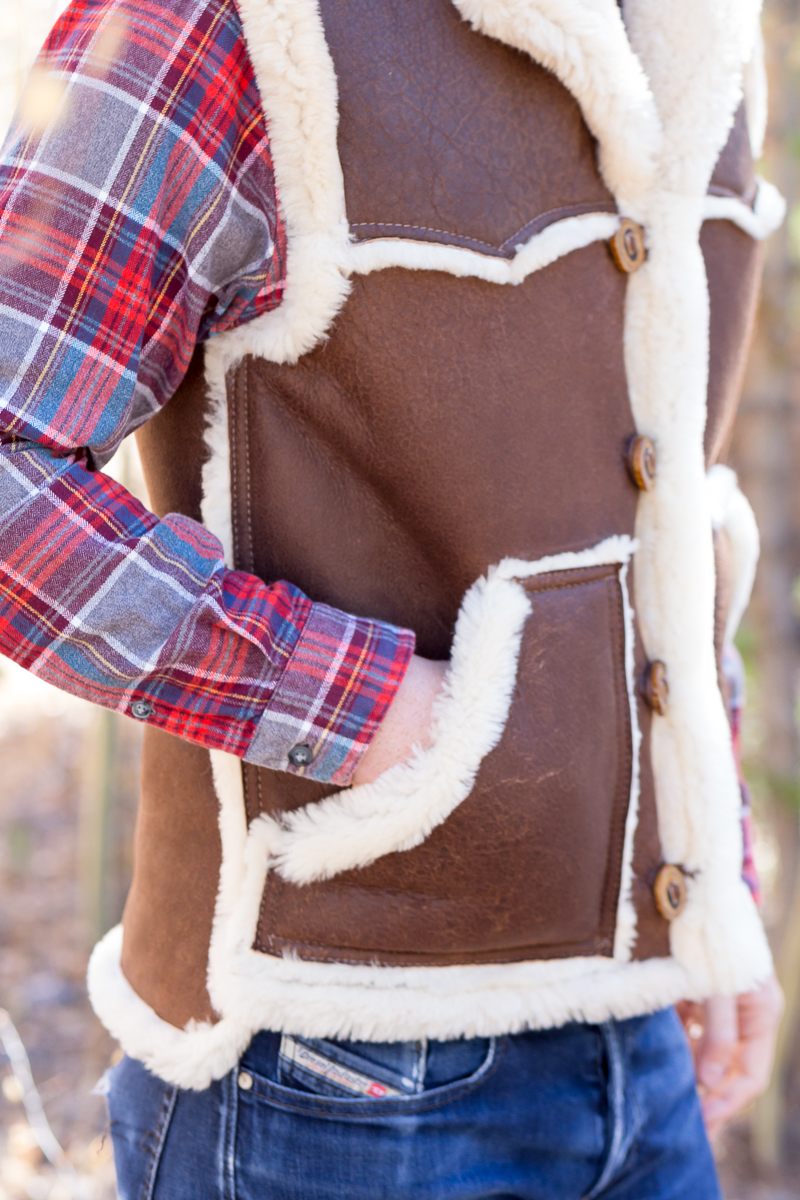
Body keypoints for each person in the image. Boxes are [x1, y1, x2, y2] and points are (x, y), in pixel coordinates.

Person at [0, 0, 786, 1195]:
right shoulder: (219, 24)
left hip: (643, 1025)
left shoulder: (702, 34)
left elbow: (659, 507)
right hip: (322, 1069)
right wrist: (382, 718)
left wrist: (713, 881)